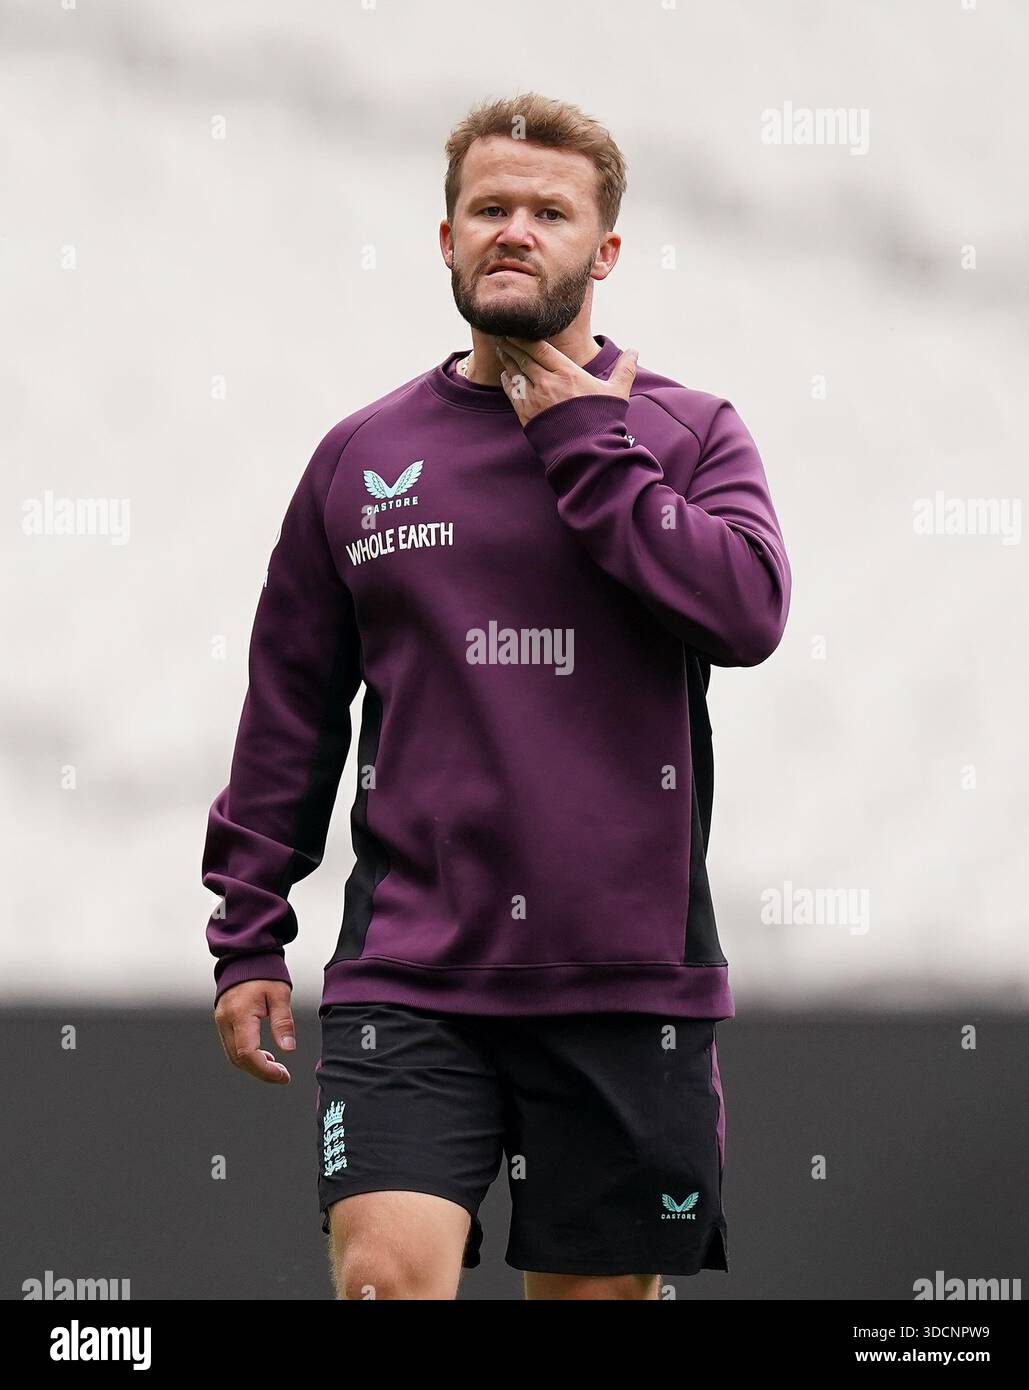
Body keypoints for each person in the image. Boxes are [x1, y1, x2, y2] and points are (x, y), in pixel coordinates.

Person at [203, 91, 792, 1300]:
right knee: (381, 1280)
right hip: (411, 975)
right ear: (447, 239)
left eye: (547, 210)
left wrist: (586, 441)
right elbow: (289, 713)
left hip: (630, 982)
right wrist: (247, 926)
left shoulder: (684, 434)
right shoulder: (360, 457)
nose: (514, 229)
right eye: (488, 208)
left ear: (604, 249)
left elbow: (746, 614)